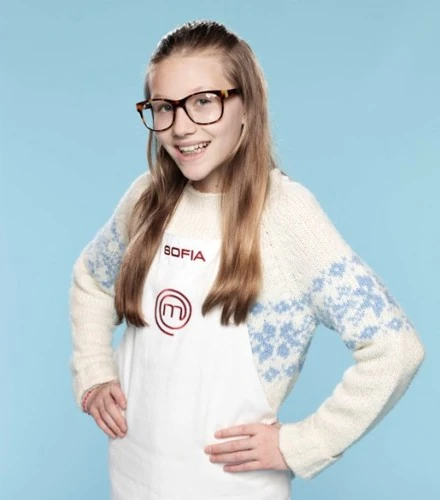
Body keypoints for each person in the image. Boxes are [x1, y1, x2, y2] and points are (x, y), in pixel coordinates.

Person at [69, 19, 425, 500]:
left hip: (231, 487)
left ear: (247, 106)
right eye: (164, 107)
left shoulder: (285, 214)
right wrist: (95, 371)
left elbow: (395, 347)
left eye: (203, 101)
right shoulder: (147, 199)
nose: (181, 127)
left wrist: (303, 445)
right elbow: (92, 281)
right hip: (134, 477)